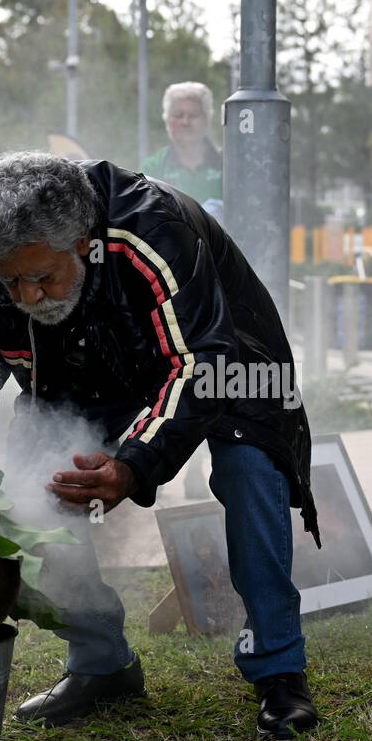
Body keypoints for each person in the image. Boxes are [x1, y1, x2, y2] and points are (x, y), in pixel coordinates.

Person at [0, 152, 322, 739]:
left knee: (249, 471)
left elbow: (200, 364)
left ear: (83, 243)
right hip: (86, 367)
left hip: (226, 357)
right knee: (40, 485)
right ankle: (100, 663)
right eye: (13, 281)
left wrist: (134, 464)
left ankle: (279, 671)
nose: (27, 297)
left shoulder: (151, 231)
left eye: (42, 278)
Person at [140, 81, 224, 498]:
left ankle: (211, 464)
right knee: (179, 375)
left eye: (193, 114)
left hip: (219, 283)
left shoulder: (226, 165)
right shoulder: (153, 165)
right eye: (178, 114)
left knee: (215, 372)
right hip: (171, 286)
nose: (185, 121)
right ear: (167, 120)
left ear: (207, 120)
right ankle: (181, 459)